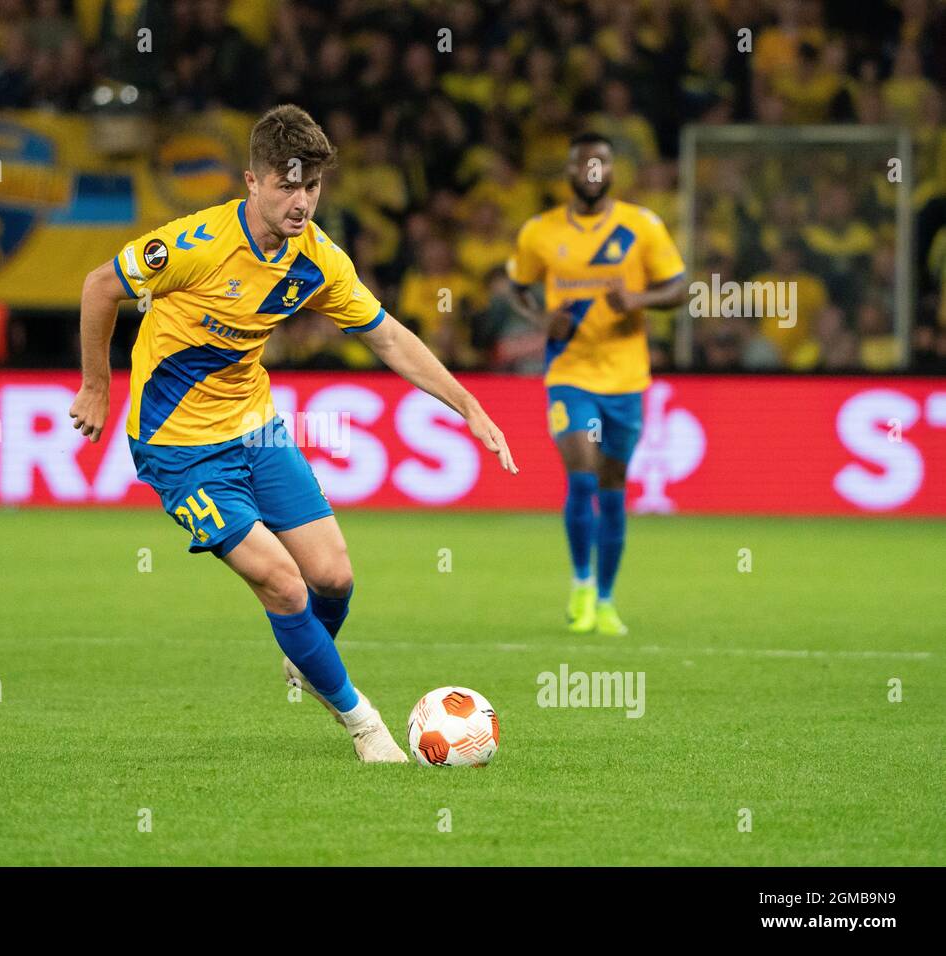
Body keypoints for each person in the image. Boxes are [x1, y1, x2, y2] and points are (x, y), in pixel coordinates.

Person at [68, 104, 516, 762]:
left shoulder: (317, 260)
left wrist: (466, 404)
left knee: (333, 577)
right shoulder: (196, 244)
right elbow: (100, 285)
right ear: (252, 181)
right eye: (288, 184)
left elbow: (386, 335)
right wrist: (97, 385)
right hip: (180, 448)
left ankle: (308, 662)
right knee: (284, 584)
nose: (301, 201)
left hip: (258, 432)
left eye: (312, 186)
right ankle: (366, 726)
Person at [509, 132, 686, 636]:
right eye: (583, 163)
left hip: (627, 378)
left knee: (612, 488)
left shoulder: (641, 226)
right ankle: (581, 583)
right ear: (569, 172)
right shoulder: (539, 232)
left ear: (612, 171)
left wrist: (638, 300)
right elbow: (518, 288)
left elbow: (679, 286)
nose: (592, 171)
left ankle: (606, 600)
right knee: (582, 474)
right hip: (570, 374)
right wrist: (544, 318)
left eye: (601, 163)